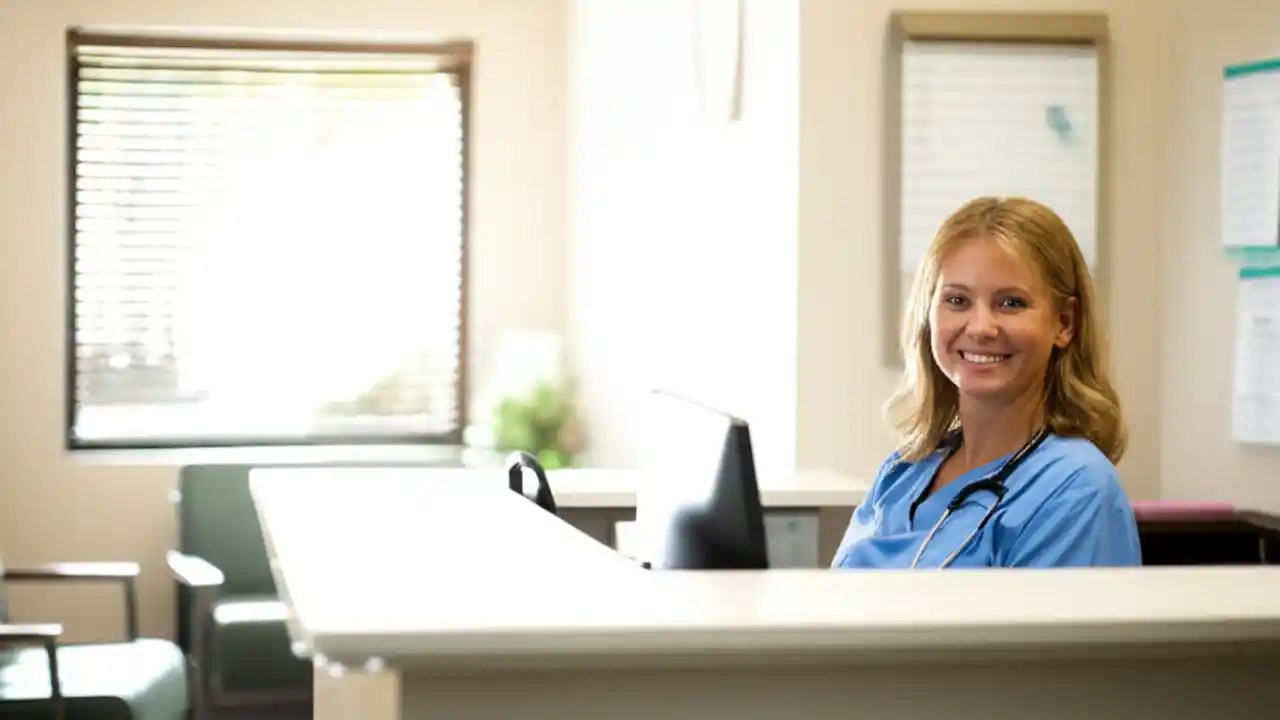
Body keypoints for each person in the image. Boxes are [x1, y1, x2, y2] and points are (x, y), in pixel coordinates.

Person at [832, 197, 1141, 569]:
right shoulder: (904, 471)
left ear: (1064, 323)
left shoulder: (1076, 488)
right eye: (957, 300)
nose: (980, 328)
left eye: (1011, 303)